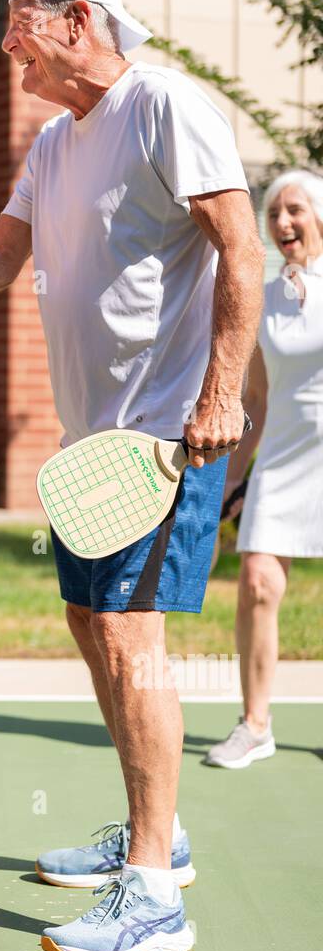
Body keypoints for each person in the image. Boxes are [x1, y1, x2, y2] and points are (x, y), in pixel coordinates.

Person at [0, 0, 265, 951]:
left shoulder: (163, 106)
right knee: (91, 624)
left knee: (133, 639)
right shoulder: (52, 143)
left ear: (79, 19)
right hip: (93, 446)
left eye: (19, 26)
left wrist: (221, 396)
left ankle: (153, 895)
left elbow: (242, 247)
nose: (8, 46)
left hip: (168, 437)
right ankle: (157, 832)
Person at [207, 170, 323, 768]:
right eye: (273, 213)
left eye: (295, 210)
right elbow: (254, 398)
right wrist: (233, 477)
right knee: (256, 582)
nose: (283, 223)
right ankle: (255, 725)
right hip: (281, 455)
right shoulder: (265, 299)